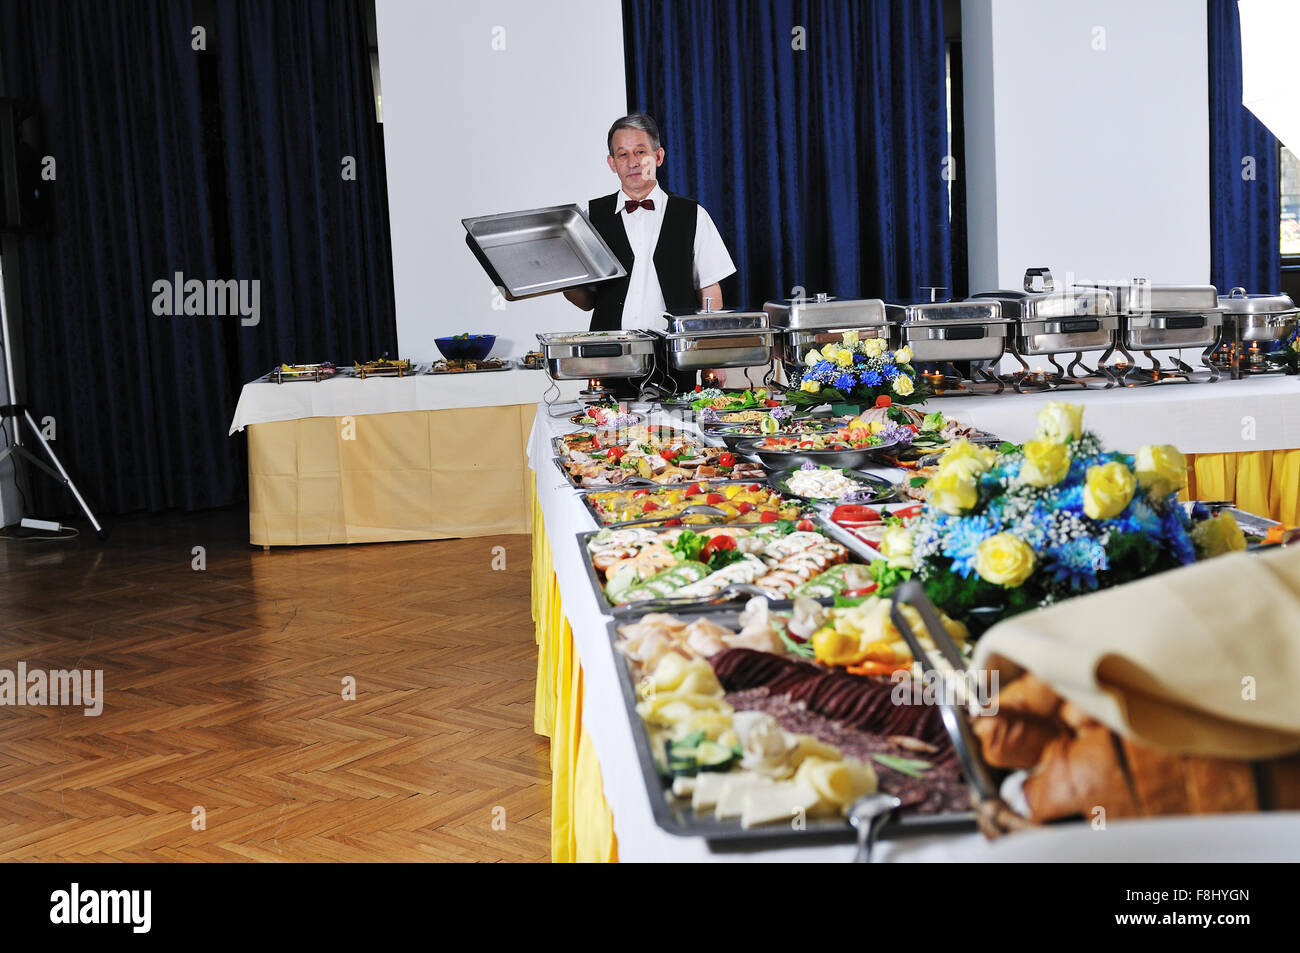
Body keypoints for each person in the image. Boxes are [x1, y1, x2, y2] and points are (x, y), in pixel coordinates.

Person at [564, 112, 736, 395]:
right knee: (609, 436)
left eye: (640, 152)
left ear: (658, 156)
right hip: (608, 360)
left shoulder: (692, 214)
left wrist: (712, 354)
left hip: (675, 359)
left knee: (676, 438)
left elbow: (709, 289)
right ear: (611, 163)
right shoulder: (589, 219)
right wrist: (561, 277)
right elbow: (585, 301)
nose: (633, 162)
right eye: (622, 154)